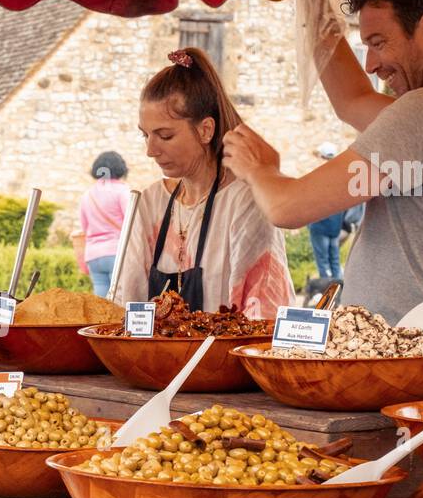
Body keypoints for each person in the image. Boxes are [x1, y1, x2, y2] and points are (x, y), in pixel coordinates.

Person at [223, 0, 423, 383]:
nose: (372, 63)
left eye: (379, 42)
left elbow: (287, 208)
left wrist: (259, 169)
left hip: (418, 366)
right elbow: (352, 100)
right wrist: (312, 0)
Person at [112, 48, 294, 318]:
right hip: (152, 359)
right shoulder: (150, 202)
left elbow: (265, 315)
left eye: (164, 136)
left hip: (224, 359)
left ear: (205, 130)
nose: (150, 150)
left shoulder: (244, 201)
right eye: (145, 136)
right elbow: (123, 303)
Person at [77, 151, 130, 298]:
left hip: (93, 255)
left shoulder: (87, 195)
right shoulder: (122, 191)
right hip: (117, 253)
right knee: (119, 301)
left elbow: (84, 227)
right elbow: (132, 222)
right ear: (120, 168)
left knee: (101, 303)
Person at [307, 210, 345, 282]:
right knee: (335, 260)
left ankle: (327, 287)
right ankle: (338, 287)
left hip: (319, 227)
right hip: (335, 227)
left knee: (323, 261)